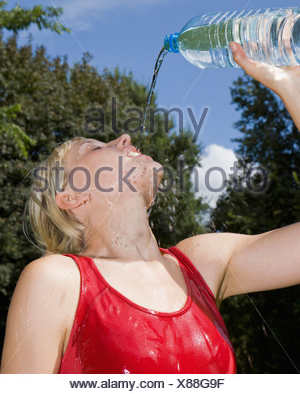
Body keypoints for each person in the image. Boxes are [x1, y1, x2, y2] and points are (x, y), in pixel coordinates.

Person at [1, 43, 300, 374]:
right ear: (73, 196)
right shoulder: (56, 279)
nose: (125, 138)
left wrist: (291, 88)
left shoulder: (203, 262)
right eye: (95, 147)